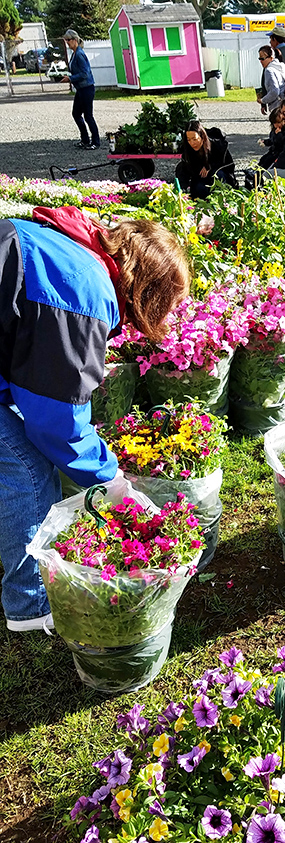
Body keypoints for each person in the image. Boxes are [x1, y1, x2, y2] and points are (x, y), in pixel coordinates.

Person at [0, 208, 191, 631]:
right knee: (26, 465)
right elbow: (57, 422)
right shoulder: (82, 291)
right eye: (171, 305)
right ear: (150, 290)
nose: (171, 317)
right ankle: (29, 607)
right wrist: (113, 484)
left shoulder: (75, 254)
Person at [176, 120, 237, 199]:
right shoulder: (188, 150)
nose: (192, 143)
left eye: (195, 139)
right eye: (189, 140)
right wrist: (182, 190)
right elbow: (184, 170)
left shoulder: (217, 145)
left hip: (219, 175)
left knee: (218, 176)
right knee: (199, 189)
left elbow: (228, 165)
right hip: (201, 178)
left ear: (202, 136)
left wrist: (210, 166)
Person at [61, 29, 100, 150]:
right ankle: (85, 139)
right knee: (76, 114)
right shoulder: (74, 53)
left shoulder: (79, 54)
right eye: (66, 40)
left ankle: (96, 142)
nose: (67, 42)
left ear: (75, 40)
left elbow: (85, 73)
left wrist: (70, 78)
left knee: (88, 116)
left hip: (86, 88)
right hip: (81, 89)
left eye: (68, 40)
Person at [258, 44, 285, 115]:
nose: (261, 61)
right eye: (259, 59)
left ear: (271, 58)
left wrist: (263, 100)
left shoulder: (269, 70)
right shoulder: (281, 67)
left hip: (277, 107)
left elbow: (274, 91)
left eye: (262, 58)